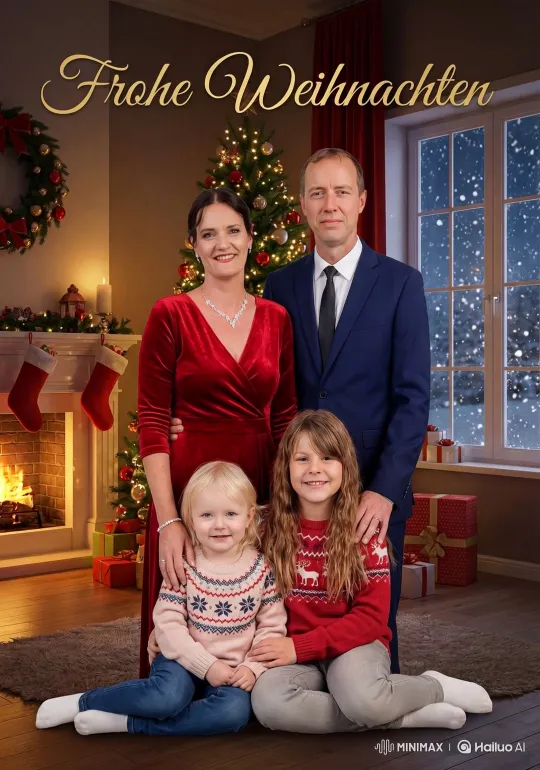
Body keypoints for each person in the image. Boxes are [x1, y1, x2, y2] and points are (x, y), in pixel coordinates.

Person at [170, 148, 430, 674]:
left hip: (368, 491)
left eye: (340, 192)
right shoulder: (280, 285)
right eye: (317, 193)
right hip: (293, 486)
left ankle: (382, 711)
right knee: (288, 618)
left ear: (361, 201)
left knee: (373, 628)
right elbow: (258, 382)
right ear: (304, 206)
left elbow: (413, 398)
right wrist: (188, 416)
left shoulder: (401, 283)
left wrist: (382, 491)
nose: (328, 204)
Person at [249, 410, 492, 733]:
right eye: (302, 459)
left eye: (327, 458)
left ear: (345, 467)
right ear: (285, 467)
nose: (315, 469)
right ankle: (398, 717)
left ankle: (434, 687)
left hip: (355, 644)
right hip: (294, 652)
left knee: (363, 699)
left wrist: (300, 647)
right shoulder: (265, 527)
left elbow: (372, 618)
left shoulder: (363, 530)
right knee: (268, 704)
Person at [137, 188, 297, 676]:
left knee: (255, 614)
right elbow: (151, 419)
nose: (222, 243)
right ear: (194, 244)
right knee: (179, 631)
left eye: (232, 230)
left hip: (260, 486)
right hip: (188, 488)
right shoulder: (171, 314)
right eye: (208, 233)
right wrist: (169, 521)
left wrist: (286, 504)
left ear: (250, 238)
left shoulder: (277, 318)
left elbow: (287, 417)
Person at [36, 461, 287, 736]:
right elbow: (167, 624)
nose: (219, 525)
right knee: (166, 697)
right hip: (182, 660)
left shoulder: (261, 569)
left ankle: (126, 724)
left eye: (230, 514)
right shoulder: (185, 563)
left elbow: (271, 629)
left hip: (232, 671)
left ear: (249, 516)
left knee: (233, 713)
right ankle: (83, 702)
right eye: (206, 515)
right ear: (189, 518)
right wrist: (206, 665)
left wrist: (252, 668)